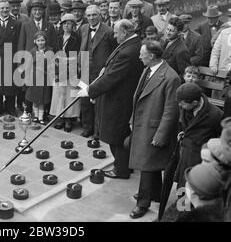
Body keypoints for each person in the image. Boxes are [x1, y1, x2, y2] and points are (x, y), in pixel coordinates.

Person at [79, 19, 143, 179]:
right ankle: (125, 165)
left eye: (116, 32)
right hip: (120, 95)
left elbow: (112, 77)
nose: (114, 36)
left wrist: (90, 90)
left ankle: (121, 170)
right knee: (117, 132)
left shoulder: (129, 50)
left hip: (120, 98)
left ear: (125, 32)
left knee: (117, 134)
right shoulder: (131, 44)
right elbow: (110, 69)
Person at [129, 40, 180, 219]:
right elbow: (139, 98)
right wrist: (132, 119)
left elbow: (171, 111)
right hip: (142, 124)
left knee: (146, 164)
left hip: (154, 129)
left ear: (151, 56)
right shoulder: (148, 70)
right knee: (151, 163)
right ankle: (155, 194)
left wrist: (161, 134)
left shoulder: (171, 77)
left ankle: (143, 202)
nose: (139, 56)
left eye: (141, 53)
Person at [174, 83, 223, 189]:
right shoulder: (186, 107)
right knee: (182, 188)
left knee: (194, 190)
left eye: (182, 104)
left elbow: (221, 139)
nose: (180, 106)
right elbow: (187, 125)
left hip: (200, 161)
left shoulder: (216, 115)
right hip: (185, 154)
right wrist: (184, 132)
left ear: (195, 102)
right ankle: (181, 204)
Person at [78, 5, 117, 138]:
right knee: (85, 101)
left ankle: (97, 131)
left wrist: (107, 69)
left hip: (99, 72)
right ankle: (86, 128)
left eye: (94, 15)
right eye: (88, 15)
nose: (91, 18)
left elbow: (114, 52)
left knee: (98, 103)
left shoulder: (109, 31)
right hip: (84, 71)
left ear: (100, 15)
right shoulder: (83, 28)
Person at [50, 14, 81, 132]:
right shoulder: (58, 37)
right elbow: (53, 51)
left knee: (69, 95)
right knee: (58, 94)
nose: (66, 25)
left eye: (68, 23)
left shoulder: (76, 38)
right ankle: (59, 118)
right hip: (58, 68)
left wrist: (66, 60)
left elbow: (76, 54)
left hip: (71, 69)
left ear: (73, 25)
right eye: (64, 23)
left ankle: (68, 119)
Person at [25, 31, 53, 125]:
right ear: (35, 41)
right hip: (35, 78)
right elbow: (28, 66)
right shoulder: (32, 51)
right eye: (38, 40)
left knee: (42, 100)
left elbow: (52, 65)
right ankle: (35, 116)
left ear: (45, 41)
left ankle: (41, 117)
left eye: (42, 40)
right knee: (35, 99)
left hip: (45, 79)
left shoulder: (50, 51)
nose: (40, 42)